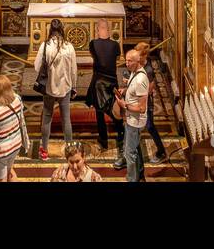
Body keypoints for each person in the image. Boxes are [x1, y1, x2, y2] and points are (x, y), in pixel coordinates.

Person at [33, 18, 77, 160]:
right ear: (62, 29)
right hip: (65, 88)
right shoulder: (69, 47)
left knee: (47, 117)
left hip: (49, 88)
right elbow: (74, 70)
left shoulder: (45, 46)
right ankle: (70, 149)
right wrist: (73, 86)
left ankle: (44, 150)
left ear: (50, 31)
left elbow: (36, 66)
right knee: (66, 119)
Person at [86, 20, 124, 156]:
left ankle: (103, 139)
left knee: (99, 111)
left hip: (98, 81)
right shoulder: (115, 45)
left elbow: (95, 57)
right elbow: (117, 59)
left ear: (97, 30)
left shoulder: (92, 44)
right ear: (109, 30)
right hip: (112, 80)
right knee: (116, 108)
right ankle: (120, 135)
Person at [117, 48, 149, 182]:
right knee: (136, 148)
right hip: (131, 119)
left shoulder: (140, 79)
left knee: (129, 153)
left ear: (138, 61)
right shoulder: (134, 72)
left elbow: (141, 108)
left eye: (130, 61)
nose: (127, 63)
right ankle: (140, 173)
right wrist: (124, 91)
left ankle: (132, 179)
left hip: (135, 122)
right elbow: (134, 90)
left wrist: (124, 105)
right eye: (126, 60)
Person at [134, 41, 169, 162]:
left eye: (139, 55)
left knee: (150, 126)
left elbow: (150, 88)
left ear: (144, 56)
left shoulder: (148, 69)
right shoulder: (139, 65)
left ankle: (162, 152)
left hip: (146, 102)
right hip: (138, 101)